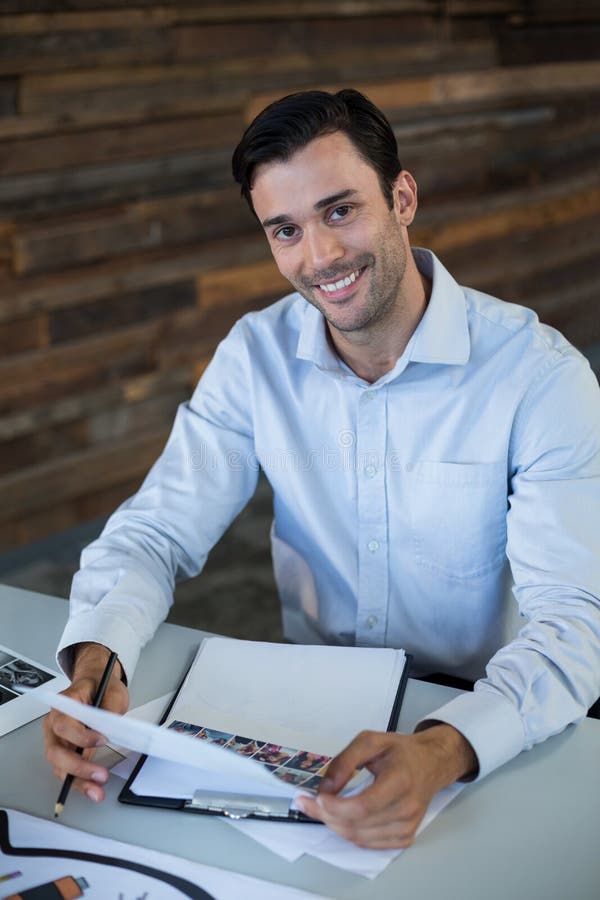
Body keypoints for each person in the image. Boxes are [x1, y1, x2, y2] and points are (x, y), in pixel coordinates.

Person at [44, 89, 600, 850]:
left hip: (485, 719)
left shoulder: (540, 378)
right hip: (305, 721)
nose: (320, 258)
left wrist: (444, 749)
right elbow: (156, 532)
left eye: (340, 211)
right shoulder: (255, 355)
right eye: (286, 230)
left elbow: (575, 621)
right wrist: (97, 664)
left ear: (402, 197)